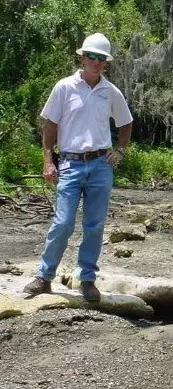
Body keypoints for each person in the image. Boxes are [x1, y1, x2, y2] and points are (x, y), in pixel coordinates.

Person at [23, 33, 133, 302]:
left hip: (100, 165)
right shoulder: (64, 87)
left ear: (105, 62)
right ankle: (44, 276)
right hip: (70, 162)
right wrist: (48, 161)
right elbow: (50, 126)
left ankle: (87, 279)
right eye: (91, 56)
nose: (95, 62)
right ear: (83, 57)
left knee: (94, 225)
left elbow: (126, 123)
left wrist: (119, 150)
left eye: (101, 58)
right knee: (63, 222)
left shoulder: (111, 92)